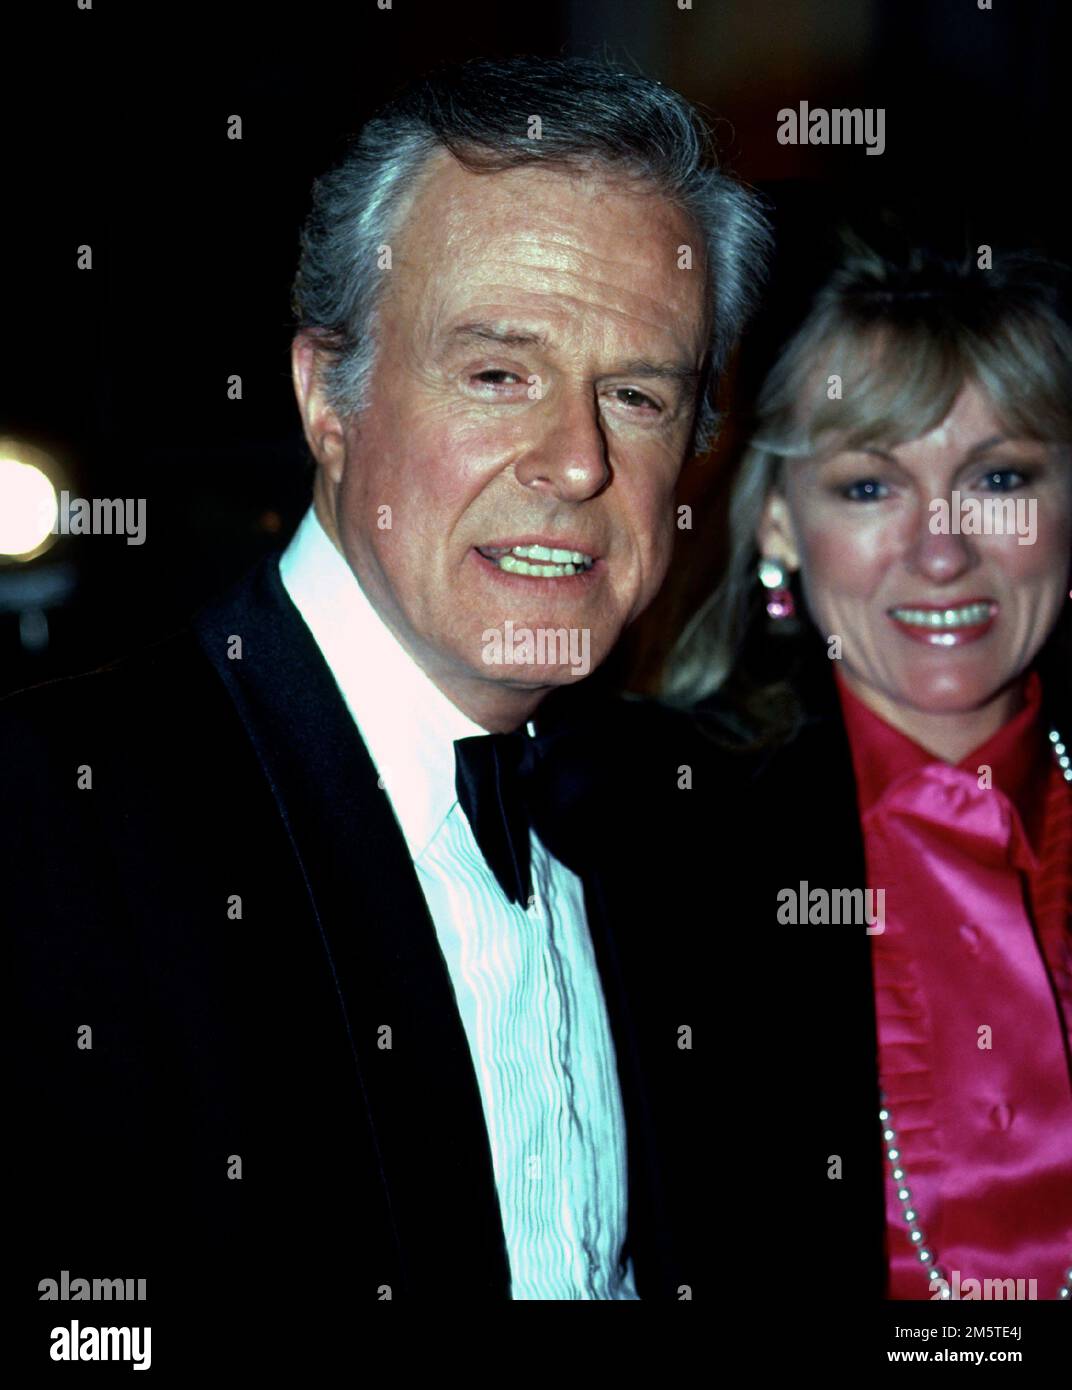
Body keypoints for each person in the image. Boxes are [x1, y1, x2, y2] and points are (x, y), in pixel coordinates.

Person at [3, 52, 771, 1353]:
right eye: (497, 373)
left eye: (638, 395)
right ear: (325, 396)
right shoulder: (52, 818)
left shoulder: (681, 818)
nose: (580, 460)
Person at [658, 234, 1072, 1302]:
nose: (941, 551)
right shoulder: (655, 849)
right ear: (782, 527)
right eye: (869, 487)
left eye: (997, 476)